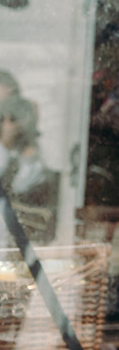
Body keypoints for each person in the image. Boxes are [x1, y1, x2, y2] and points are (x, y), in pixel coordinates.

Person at [0, 95, 59, 244]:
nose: (8, 124)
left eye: (13, 118)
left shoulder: (33, 159)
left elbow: (18, 187)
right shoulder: (8, 155)